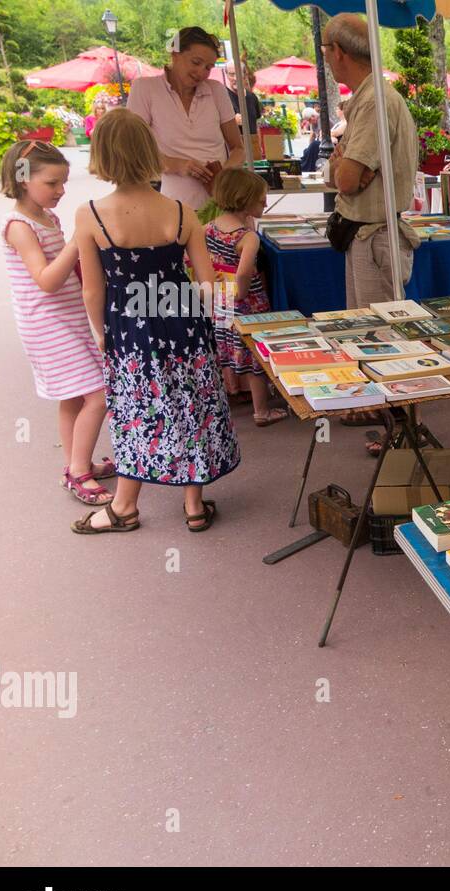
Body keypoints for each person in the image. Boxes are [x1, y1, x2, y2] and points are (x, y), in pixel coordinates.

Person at [71, 108, 240, 534]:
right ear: (150, 152)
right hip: (181, 319)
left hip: (130, 328)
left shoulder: (90, 214)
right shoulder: (182, 212)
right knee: (192, 403)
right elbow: (204, 282)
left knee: (138, 410)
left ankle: (125, 507)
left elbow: (93, 289)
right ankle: (194, 506)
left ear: (103, 156)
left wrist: (100, 332)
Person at [0, 140, 112, 506]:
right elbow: (47, 280)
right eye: (52, 183)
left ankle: (76, 462)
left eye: (63, 182)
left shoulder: (48, 219)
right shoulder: (19, 226)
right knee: (97, 394)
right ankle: (78, 472)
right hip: (47, 325)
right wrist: (79, 241)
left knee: (74, 396)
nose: (61, 191)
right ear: (21, 180)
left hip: (68, 318)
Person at [321, 12, 420, 309]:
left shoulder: (374, 99)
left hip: (375, 239)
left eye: (325, 50)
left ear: (338, 51)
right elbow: (338, 174)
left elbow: (347, 180)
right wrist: (342, 166)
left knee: (376, 335)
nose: (325, 57)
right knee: (366, 330)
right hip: (370, 236)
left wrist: (343, 167)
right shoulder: (370, 96)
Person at [126, 26, 244, 211]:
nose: (201, 72)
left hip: (222, 204)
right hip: (173, 205)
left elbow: (238, 149)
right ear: (175, 54)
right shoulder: (145, 89)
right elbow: (134, 151)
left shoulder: (216, 90)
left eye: (208, 67)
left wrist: (223, 174)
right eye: (196, 62)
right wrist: (178, 165)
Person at [206, 167, 287, 427]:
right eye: (261, 197)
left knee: (227, 354)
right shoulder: (247, 237)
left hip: (221, 303)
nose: (265, 202)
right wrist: (240, 291)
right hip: (247, 304)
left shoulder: (208, 228)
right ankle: (261, 411)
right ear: (244, 199)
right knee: (255, 361)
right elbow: (243, 275)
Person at [225, 64, 262, 136]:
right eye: (231, 74)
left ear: (244, 75)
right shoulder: (221, 96)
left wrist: (259, 144)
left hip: (253, 143)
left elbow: (257, 123)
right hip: (233, 145)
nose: (235, 78)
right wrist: (232, 122)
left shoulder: (252, 97)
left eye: (238, 74)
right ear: (226, 75)